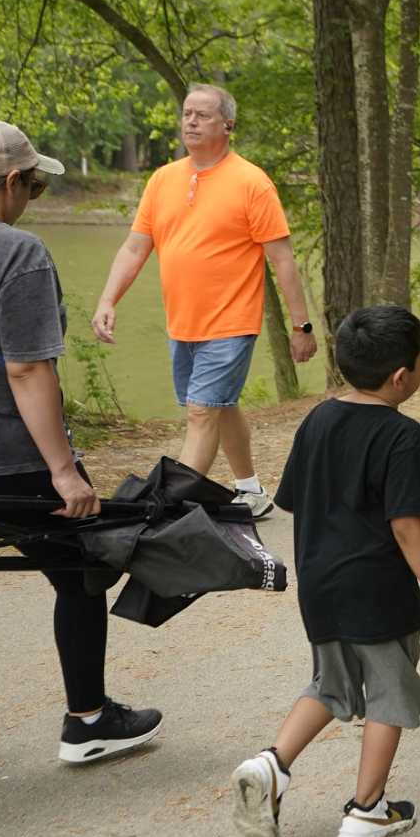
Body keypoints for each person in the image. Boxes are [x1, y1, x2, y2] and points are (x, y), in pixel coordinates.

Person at [0, 118, 164, 800]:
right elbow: (28, 371)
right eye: (34, 184)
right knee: (83, 570)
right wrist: (64, 470)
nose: (33, 196)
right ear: (10, 181)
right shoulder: (16, 252)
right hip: (13, 459)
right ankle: (88, 718)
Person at [229, 306, 420, 837]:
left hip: (321, 585)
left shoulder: (317, 419)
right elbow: (406, 526)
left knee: (329, 685)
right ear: (401, 378)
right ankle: (368, 809)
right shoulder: (401, 434)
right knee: (389, 692)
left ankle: (272, 764)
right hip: (378, 589)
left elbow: (292, 500)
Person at [91, 85, 317, 517]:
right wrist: (108, 299)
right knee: (220, 405)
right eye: (186, 114)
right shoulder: (163, 179)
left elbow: (282, 258)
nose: (190, 122)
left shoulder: (252, 182)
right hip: (183, 323)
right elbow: (136, 247)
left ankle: (171, 509)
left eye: (202, 115)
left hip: (231, 322)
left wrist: (300, 326)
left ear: (227, 125)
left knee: (200, 414)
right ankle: (250, 490)